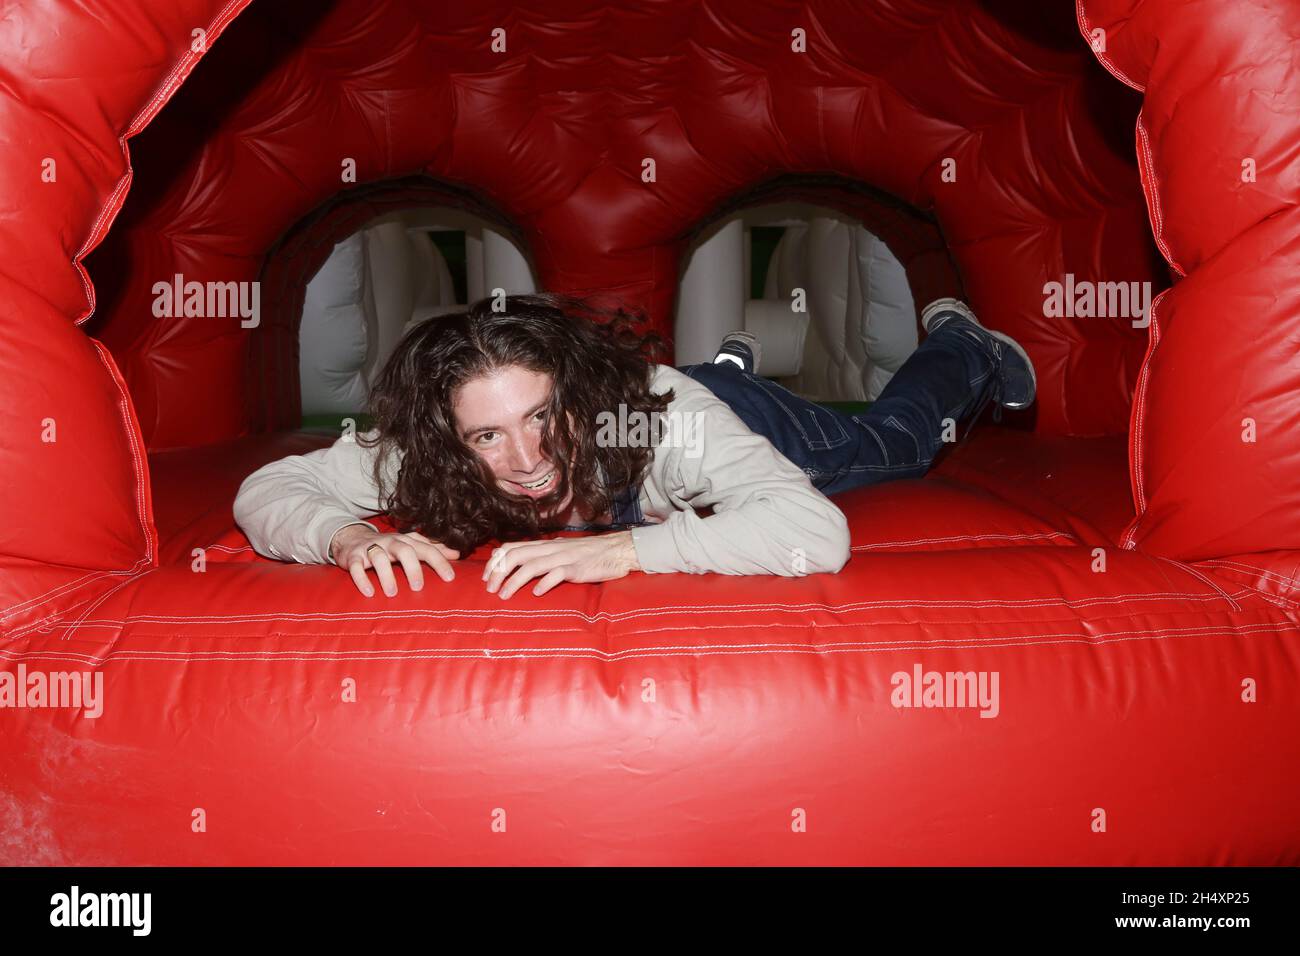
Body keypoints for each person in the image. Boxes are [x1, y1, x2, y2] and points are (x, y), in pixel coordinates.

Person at [233, 293, 1034, 599]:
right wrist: (341, 539)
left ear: (578, 395)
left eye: (544, 417)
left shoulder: (663, 420)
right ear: (452, 437)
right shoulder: (429, 446)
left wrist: (628, 552)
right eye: (487, 435)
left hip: (719, 414)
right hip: (678, 402)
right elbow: (266, 492)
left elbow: (814, 534)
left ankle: (965, 345)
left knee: (893, 446)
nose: (526, 459)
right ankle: (721, 366)